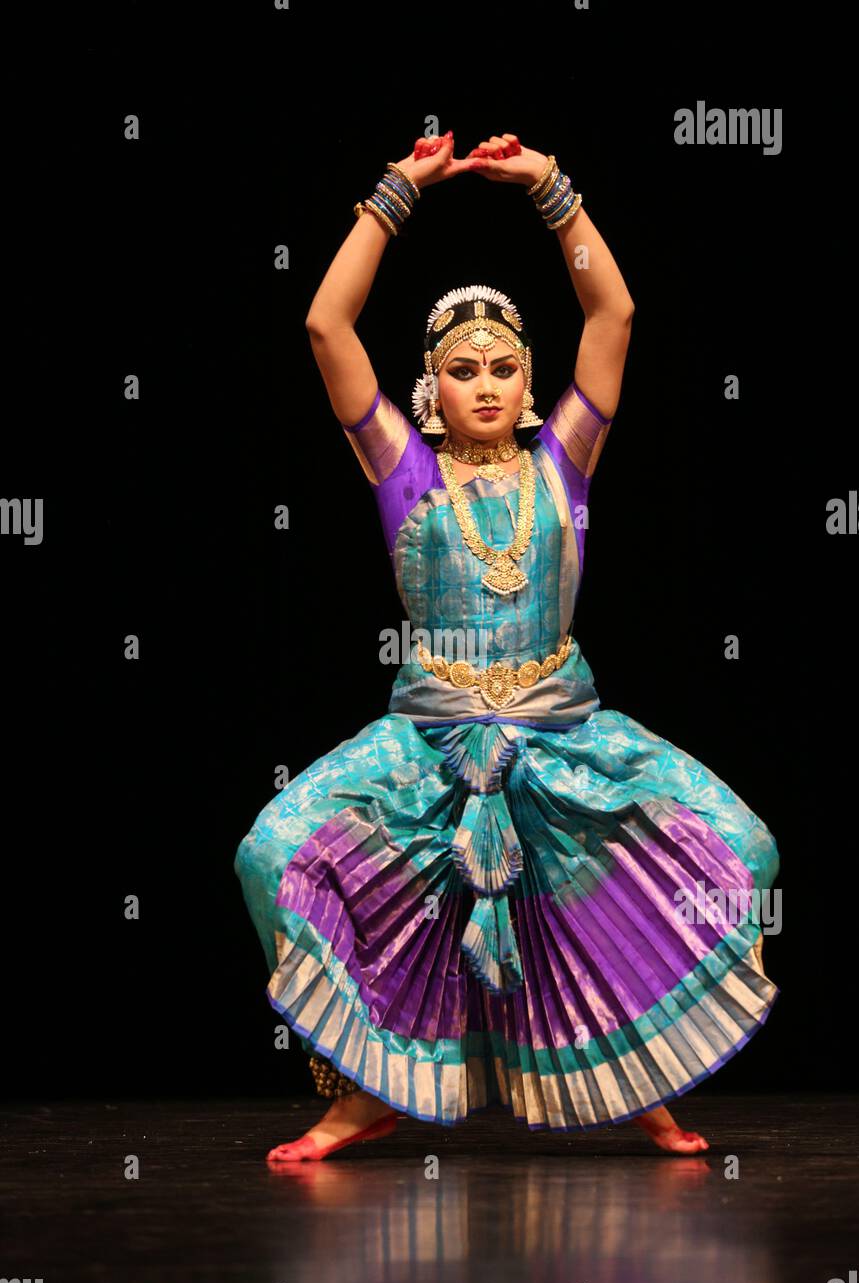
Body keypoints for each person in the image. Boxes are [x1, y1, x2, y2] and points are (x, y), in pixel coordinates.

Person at [235, 132, 779, 1161]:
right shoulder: (401, 469)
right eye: (458, 369)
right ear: (427, 387)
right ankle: (366, 1089)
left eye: (501, 367)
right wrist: (395, 192)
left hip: (560, 729)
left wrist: (550, 190)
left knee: (741, 851)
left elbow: (610, 312)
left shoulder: (563, 463)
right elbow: (322, 321)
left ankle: (639, 1083)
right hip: (427, 740)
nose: (481, 384)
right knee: (270, 850)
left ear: (528, 381)